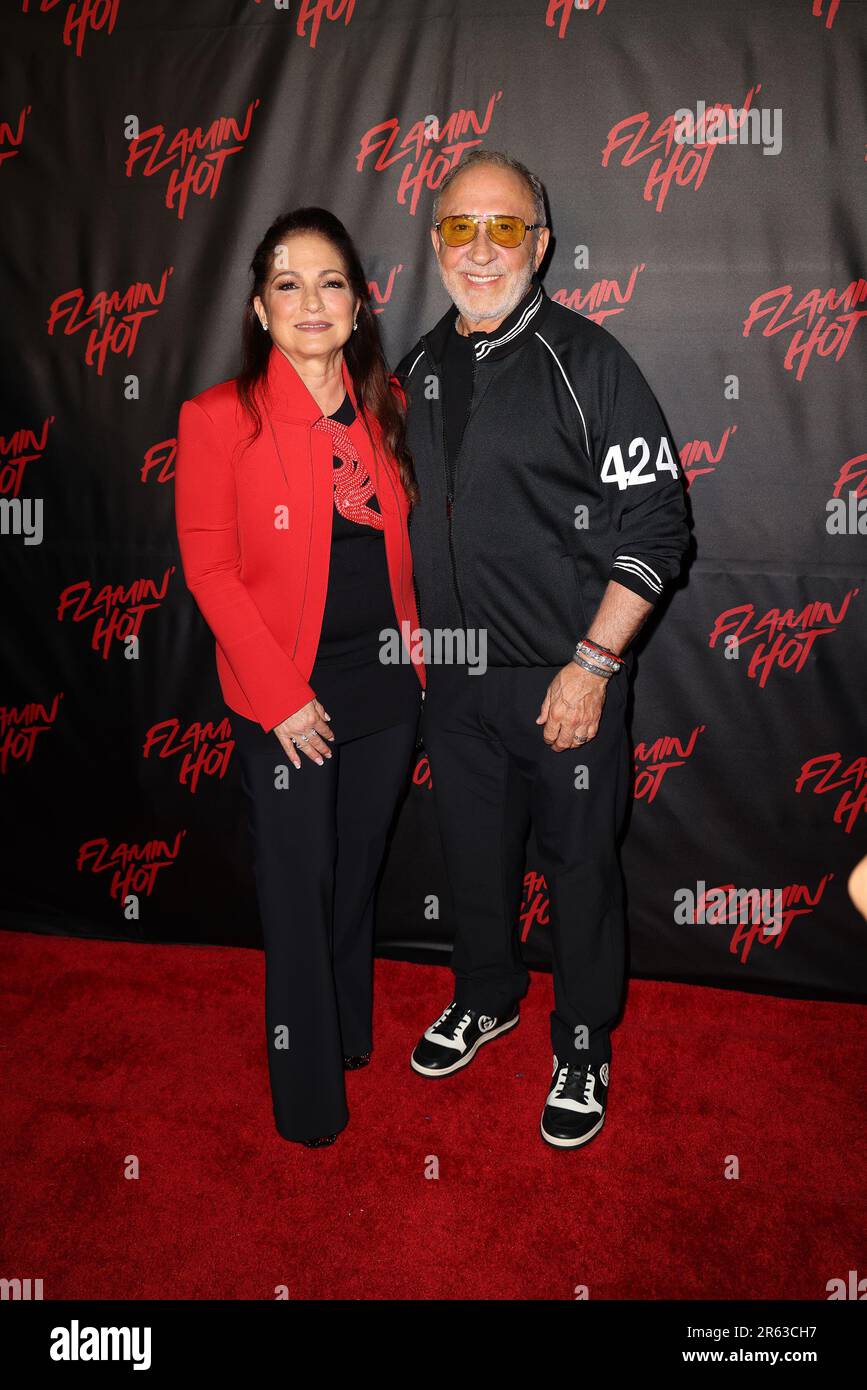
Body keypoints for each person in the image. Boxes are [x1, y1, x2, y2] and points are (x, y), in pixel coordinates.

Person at [395, 150, 690, 1149]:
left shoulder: (588, 360)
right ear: (435, 241)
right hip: (455, 681)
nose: (482, 249)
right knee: (473, 860)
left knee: (577, 870)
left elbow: (658, 526)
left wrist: (593, 665)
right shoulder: (420, 369)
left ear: (543, 241)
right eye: (460, 227)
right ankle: (487, 993)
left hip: (565, 677)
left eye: (505, 226)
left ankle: (582, 1041)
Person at [174, 208, 426, 1147]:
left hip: (387, 689)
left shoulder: (390, 407)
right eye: (289, 283)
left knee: (355, 877)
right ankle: (308, 1091)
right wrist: (282, 697)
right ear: (258, 306)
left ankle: (349, 1033)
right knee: (297, 884)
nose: (311, 301)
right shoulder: (215, 418)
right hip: (284, 696)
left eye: (330, 283)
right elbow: (209, 571)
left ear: (359, 307)